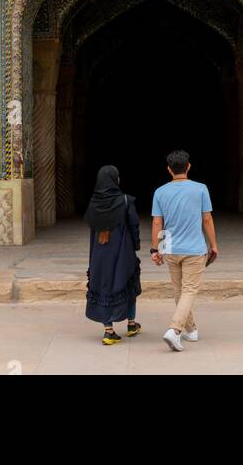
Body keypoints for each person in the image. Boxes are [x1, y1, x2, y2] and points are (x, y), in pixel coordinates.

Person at [150, 149, 218, 351]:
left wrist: (157, 250)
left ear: (169, 170)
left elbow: (157, 222)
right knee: (189, 290)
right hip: (195, 249)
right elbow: (206, 219)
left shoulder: (160, 192)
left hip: (171, 249)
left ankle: (192, 330)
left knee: (180, 291)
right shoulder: (201, 189)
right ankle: (174, 330)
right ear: (188, 167)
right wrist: (213, 244)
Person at [83, 164, 142, 345]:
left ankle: (108, 330)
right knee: (128, 284)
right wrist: (136, 246)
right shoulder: (125, 201)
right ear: (115, 180)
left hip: (100, 256)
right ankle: (131, 324)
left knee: (104, 286)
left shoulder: (94, 204)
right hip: (123, 253)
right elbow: (134, 226)